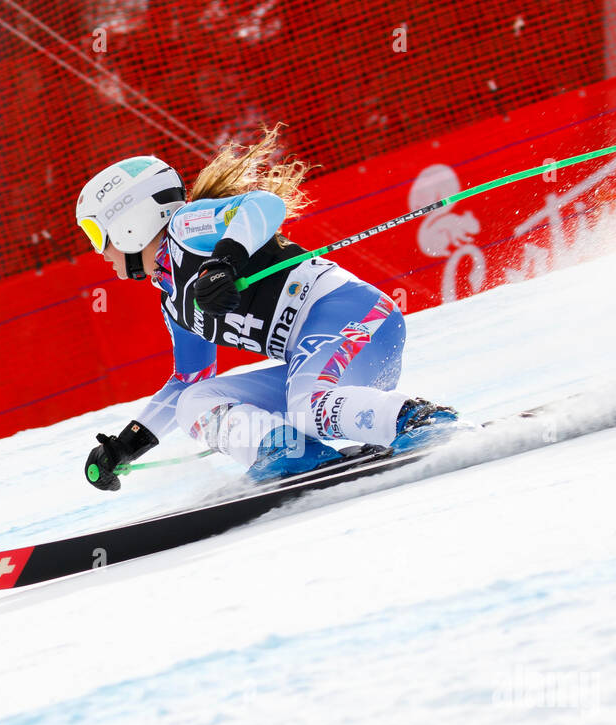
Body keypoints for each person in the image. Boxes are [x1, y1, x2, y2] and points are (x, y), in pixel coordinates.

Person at [74, 125, 458, 492]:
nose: (100, 252)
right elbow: (189, 380)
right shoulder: (174, 302)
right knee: (196, 401)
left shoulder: (186, 228)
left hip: (357, 319)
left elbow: (264, 204)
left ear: (129, 222)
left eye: (96, 234)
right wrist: (125, 445)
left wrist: (223, 261)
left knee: (307, 406)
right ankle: (291, 452)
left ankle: (419, 420)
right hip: (320, 364)